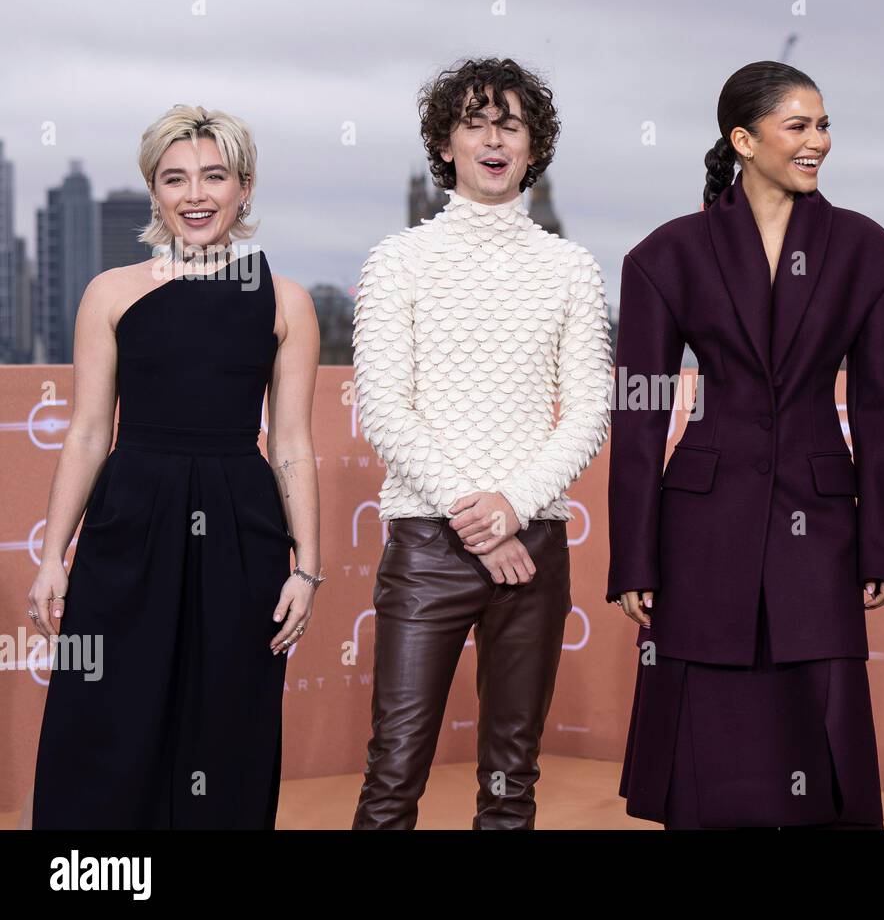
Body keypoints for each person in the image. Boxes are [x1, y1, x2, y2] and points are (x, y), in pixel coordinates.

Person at [607, 61, 884, 829]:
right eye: (799, 125)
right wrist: (633, 557)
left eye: (824, 125)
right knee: (710, 770)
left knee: (820, 760)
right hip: (701, 533)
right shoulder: (665, 255)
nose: (819, 141)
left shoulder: (872, 254)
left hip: (821, 531)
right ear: (742, 140)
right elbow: (639, 415)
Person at [28, 104, 322, 828]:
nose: (195, 195)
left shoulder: (286, 302)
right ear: (154, 191)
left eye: (214, 176)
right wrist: (53, 553)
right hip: (128, 524)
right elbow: (90, 432)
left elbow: (290, 443)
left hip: (241, 531)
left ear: (244, 187)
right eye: (175, 178)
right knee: (102, 720)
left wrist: (308, 565)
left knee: (226, 723)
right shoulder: (111, 292)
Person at [351, 57, 612, 830]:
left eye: (512, 124)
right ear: (444, 145)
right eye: (475, 122)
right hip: (428, 550)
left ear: (534, 148)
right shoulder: (397, 261)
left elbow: (588, 413)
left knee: (511, 777)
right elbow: (385, 410)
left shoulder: (571, 267)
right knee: (393, 772)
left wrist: (512, 508)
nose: (494, 139)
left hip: (532, 546)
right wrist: (478, 516)